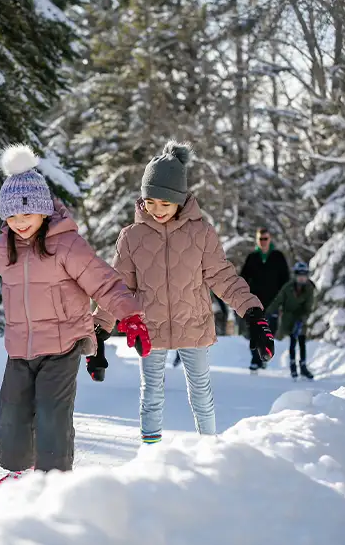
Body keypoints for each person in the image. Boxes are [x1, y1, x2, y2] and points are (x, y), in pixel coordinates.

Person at [0, 144, 148, 494]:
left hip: (62, 344)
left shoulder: (66, 245)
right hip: (20, 349)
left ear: (43, 211)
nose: (20, 223)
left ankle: (54, 480)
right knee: (12, 414)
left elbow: (103, 281)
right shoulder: (4, 246)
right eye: (12, 217)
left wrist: (129, 316)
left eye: (27, 215)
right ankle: (18, 474)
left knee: (52, 413)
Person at [95, 141, 275, 445]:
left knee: (201, 389)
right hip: (148, 327)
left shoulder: (201, 233)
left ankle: (210, 449)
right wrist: (100, 328)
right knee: (151, 392)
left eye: (165, 204)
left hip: (193, 323)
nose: (157, 210)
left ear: (180, 200)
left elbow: (222, 277)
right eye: (150, 202)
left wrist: (253, 313)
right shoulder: (131, 237)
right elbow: (120, 287)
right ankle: (151, 455)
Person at [240, 226, 290, 371]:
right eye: (260, 239)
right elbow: (243, 278)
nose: (263, 242)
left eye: (265, 239)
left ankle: (264, 356)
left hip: (273, 302)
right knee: (254, 330)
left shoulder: (278, 257)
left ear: (270, 239)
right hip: (254, 301)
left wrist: (283, 301)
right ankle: (255, 359)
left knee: (269, 330)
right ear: (257, 240)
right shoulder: (252, 258)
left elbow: (285, 280)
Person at [266, 261, 316, 380]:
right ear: (296, 276)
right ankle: (292, 365)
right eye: (300, 276)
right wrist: (267, 312)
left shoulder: (309, 289)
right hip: (289, 318)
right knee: (293, 341)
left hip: (301, 318)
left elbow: (308, 307)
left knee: (302, 341)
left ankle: (303, 366)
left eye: (304, 276)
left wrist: (302, 320)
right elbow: (278, 301)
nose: (302, 278)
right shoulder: (288, 287)